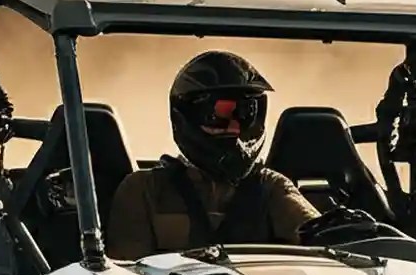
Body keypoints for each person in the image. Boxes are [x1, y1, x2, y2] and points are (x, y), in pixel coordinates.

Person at [105, 50, 320, 260]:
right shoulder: (144, 189)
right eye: (222, 113)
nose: (235, 126)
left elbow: (323, 242)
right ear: (188, 117)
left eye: (246, 113)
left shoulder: (271, 187)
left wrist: (345, 230)